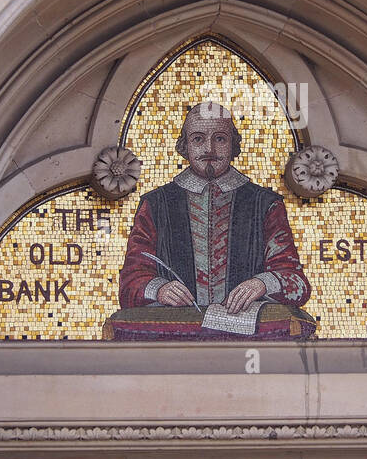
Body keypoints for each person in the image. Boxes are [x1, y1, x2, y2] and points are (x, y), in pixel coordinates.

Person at [118, 102, 311, 315]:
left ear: (233, 145)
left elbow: (297, 283)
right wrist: (159, 289)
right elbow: (130, 283)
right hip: (175, 331)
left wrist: (262, 284)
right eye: (198, 139)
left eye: (219, 138)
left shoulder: (265, 204)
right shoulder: (155, 205)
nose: (209, 149)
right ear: (185, 146)